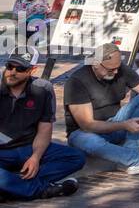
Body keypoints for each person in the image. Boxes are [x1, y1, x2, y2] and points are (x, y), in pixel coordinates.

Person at [64, 42, 139, 174]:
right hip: (84, 133)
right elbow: (88, 125)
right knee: (91, 142)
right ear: (96, 64)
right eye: (111, 69)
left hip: (116, 123)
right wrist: (124, 125)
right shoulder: (77, 81)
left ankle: (127, 159)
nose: (115, 72)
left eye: (117, 67)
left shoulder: (120, 69)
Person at [0, 48, 84, 200]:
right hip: (2, 152)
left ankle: (10, 188)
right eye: (9, 66)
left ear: (32, 70)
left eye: (20, 68)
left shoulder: (43, 89)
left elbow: (45, 128)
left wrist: (35, 158)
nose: (12, 72)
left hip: (28, 148)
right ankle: (41, 190)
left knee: (76, 157)